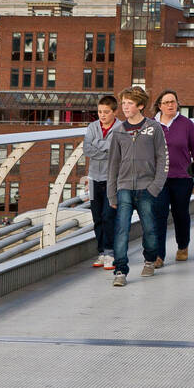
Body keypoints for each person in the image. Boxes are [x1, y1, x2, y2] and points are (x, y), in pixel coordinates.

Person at [107, 86, 169, 287]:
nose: (125, 107)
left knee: (150, 229)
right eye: (123, 103)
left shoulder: (154, 128)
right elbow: (113, 164)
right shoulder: (118, 132)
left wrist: (155, 186)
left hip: (147, 188)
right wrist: (111, 194)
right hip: (124, 187)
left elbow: (163, 158)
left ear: (140, 105)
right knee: (121, 230)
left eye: (129, 103)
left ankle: (150, 259)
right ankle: (120, 270)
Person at [153, 89, 194, 265]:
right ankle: (158, 255)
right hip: (158, 178)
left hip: (182, 176)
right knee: (159, 215)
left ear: (177, 104)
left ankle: (183, 246)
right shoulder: (152, 125)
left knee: (180, 214)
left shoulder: (186, 124)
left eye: (172, 101)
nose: (170, 105)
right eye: (166, 102)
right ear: (160, 106)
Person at [84, 94, 120, 270]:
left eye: (106, 112)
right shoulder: (92, 126)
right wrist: (105, 149)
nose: (102, 115)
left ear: (114, 112)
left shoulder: (121, 128)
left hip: (112, 180)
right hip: (93, 178)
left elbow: (116, 151)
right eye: (99, 112)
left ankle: (110, 252)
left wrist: (98, 145)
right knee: (97, 217)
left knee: (108, 216)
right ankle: (101, 252)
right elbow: (87, 149)